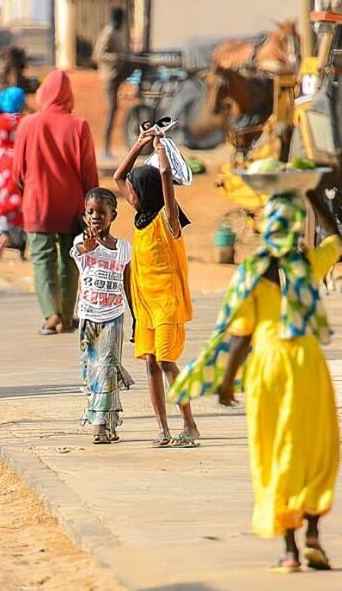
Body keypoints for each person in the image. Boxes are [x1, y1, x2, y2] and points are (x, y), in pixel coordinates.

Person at [170, 190, 342, 572]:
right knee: (315, 447)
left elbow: (241, 335)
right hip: (309, 364)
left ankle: (291, 550)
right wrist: (317, 199)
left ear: (266, 230)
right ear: (296, 229)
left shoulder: (251, 273)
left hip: (268, 366)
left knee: (275, 451)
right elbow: (336, 241)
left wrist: (228, 381)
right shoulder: (307, 264)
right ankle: (313, 530)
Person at [113, 128, 199, 447]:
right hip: (145, 306)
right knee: (151, 362)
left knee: (166, 362)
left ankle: (189, 425)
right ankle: (163, 428)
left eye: (133, 190)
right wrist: (138, 144)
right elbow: (119, 176)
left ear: (145, 192)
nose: (128, 194)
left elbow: (165, 173)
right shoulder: (139, 218)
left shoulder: (168, 219)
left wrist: (160, 145)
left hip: (169, 305)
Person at [12, 70, 98, 335]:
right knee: (70, 259)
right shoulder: (79, 125)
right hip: (71, 204)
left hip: (37, 205)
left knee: (41, 258)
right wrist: (91, 201)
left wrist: (28, 191)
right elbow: (88, 172)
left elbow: (18, 172)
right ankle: (68, 316)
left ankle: (51, 314)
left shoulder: (28, 124)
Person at [70, 188, 134, 444]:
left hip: (113, 317)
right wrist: (88, 245)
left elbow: (128, 285)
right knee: (91, 372)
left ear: (113, 215)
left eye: (101, 212)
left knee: (106, 368)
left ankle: (98, 426)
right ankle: (107, 421)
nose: (95, 217)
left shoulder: (124, 249)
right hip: (88, 317)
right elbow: (82, 251)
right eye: (90, 212)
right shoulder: (81, 244)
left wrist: (136, 318)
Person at [0, 86, 26, 260]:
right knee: (21, 203)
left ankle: (2, 235)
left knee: (0, 201)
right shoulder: (27, 121)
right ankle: (22, 246)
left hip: (0, 167)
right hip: (23, 164)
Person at [93, 7, 128, 156]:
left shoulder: (119, 32)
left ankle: (107, 148)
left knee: (114, 110)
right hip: (110, 76)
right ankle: (105, 148)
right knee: (111, 110)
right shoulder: (109, 32)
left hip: (117, 73)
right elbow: (98, 54)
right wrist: (115, 57)